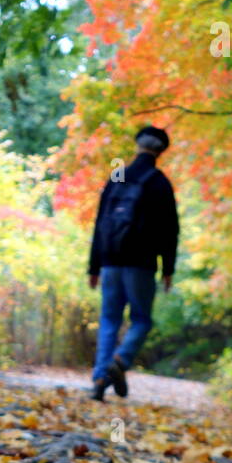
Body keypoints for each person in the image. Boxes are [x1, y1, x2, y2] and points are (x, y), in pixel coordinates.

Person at [88, 125, 179, 400]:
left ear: (137, 146)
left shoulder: (117, 177)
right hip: (142, 263)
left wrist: (93, 266)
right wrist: (168, 269)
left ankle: (101, 377)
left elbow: (100, 222)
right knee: (141, 320)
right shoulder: (159, 182)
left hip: (110, 262)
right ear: (161, 151)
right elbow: (170, 230)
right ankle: (120, 361)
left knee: (109, 319)